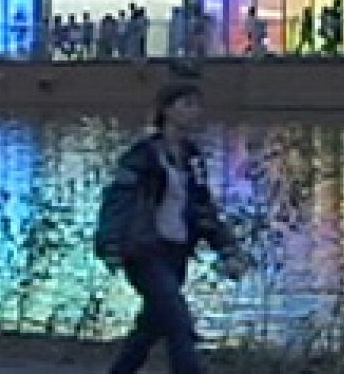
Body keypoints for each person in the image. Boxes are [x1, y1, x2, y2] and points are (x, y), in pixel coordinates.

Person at [95, 83, 248, 374]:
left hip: (175, 253)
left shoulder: (192, 159)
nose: (195, 112)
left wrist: (227, 249)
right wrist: (110, 244)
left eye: (197, 105)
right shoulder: (141, 156)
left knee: (150, 328)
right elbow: (118, 200)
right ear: (167, 110)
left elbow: (203, 209)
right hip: (144, 252)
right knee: (178, 320)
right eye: (186, 104)